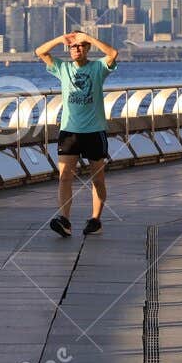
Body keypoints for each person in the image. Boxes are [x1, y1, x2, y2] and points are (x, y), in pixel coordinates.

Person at [35, 30, 119, 237]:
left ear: (88, 48)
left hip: (95, 131)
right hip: (70, 131)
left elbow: (113, 53)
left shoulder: (98, 67)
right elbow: (40, 52)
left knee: (97, 179)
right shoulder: (63, 68)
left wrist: (87, 37)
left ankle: (95, 220)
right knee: (64, 176)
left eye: (81, 46)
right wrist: (61, 39)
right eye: (74, 47)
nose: (77, 49)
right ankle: (64, 219)